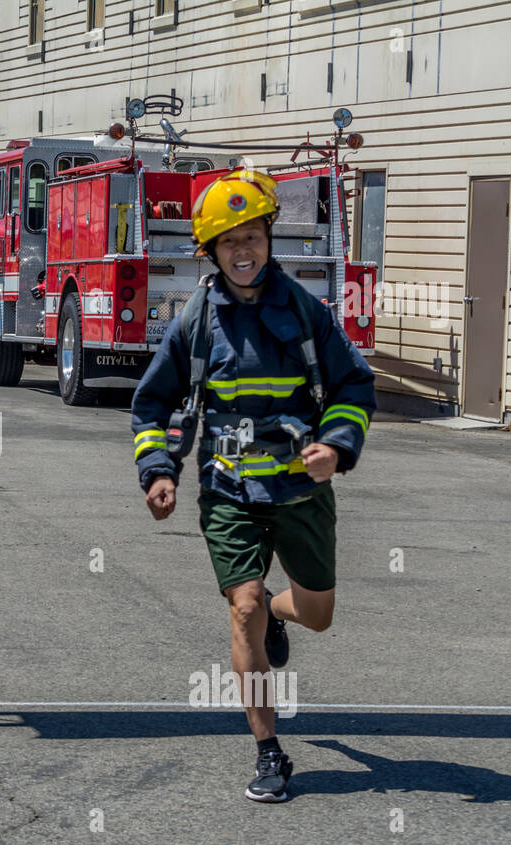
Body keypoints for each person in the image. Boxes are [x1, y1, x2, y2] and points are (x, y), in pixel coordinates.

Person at [131, 168, 376, 803]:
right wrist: (159, 471)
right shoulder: (195, 321)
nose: (245, 251)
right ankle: (268, 751)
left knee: (317, 615)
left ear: (270, 238)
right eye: (229, 241)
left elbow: (354, 387)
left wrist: (336, 446)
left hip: (300, 495)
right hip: (228, 492)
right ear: (210, 253)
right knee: (242, 606)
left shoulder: (305, 312)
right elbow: (151, 405)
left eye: (254, 236)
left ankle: (279, 608)